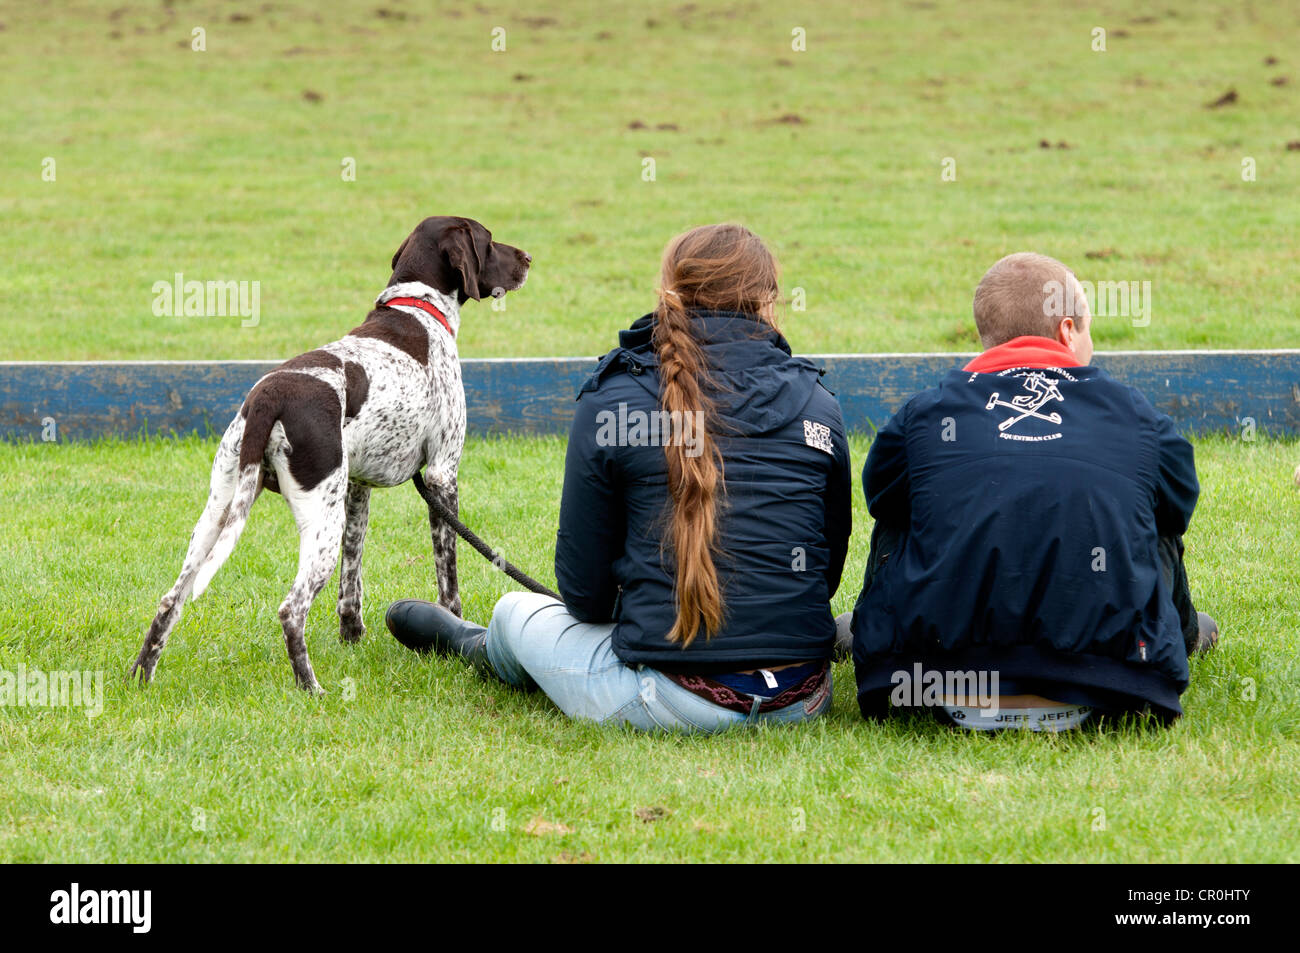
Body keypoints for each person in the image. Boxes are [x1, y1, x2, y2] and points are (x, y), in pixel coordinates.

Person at [387, 224, 851, 732]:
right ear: (769, 300)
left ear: (669, 291)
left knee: (515, 612)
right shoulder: (819, 402)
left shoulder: (613, 398)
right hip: (805, 697)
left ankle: (475, 644)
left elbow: (584, 597)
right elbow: (821, 578)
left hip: (667, 698)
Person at [843, 252, 1218, 731]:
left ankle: (871, 631)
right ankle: (1179, 633)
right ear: (1067, 330)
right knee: (1155, 509)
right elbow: (1179, 506)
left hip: (927, 684)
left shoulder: (924, 414)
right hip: (1117, 684)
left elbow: (881, 499)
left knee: (902, 506)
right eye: (1089, 330)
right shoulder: (1138, 416)